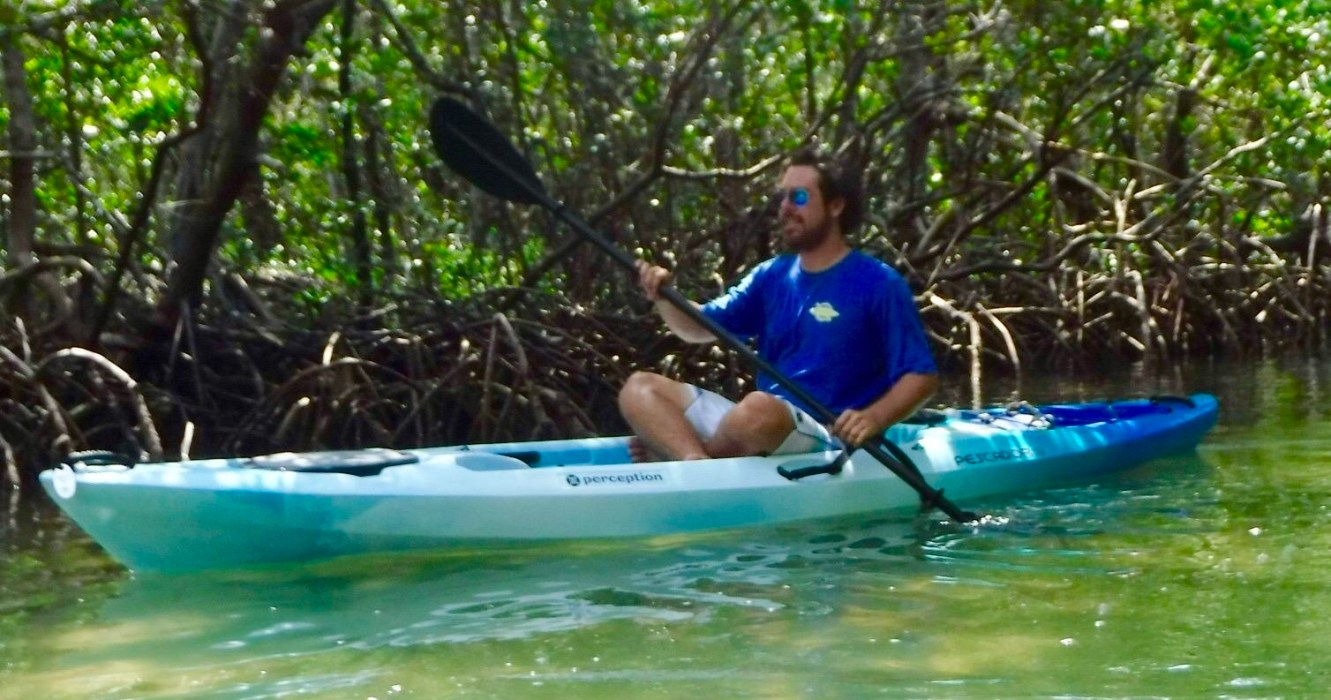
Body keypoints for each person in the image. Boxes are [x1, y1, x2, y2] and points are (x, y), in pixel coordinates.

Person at [618, 146, 939, 462]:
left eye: (798, 197)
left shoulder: (879, 283)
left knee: (758, 410)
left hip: (828, 435)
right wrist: (664, 295)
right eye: (782, 198)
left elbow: (921, 377)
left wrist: (874, 418)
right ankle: (693, 461)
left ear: (836, 205)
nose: (785, 207)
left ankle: (678, 454)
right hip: (757, 425)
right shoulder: (771, 275)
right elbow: (698, 328)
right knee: (639, 388)